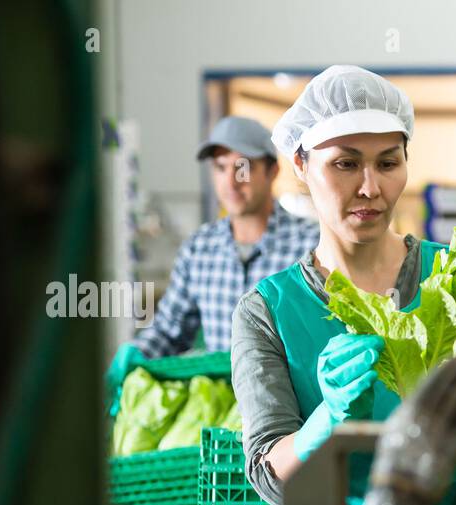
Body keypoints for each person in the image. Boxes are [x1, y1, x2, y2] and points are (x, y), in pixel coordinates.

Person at [229, 65, 456, 505]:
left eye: (387, 162)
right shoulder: (267, 310)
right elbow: (269, 474)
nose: (370, 188)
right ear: (301, 165)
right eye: (346, 164)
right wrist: (324, 423)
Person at [105, 116, 318, 392]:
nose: (231, 181)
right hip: (220, 412)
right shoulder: (199, 250)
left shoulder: (309, 245)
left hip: (293, 409)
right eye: (220, 167)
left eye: (243, 166)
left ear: (272, 172)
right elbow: (170, 331)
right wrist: (135, 355)